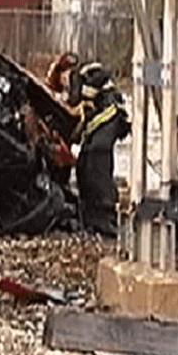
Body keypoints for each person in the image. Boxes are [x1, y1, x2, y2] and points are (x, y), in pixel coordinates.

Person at [56, 56, 130, 237]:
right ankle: (91, 217)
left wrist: (62, 99)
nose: (64, 86)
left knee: (96, 159)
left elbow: (76, 101)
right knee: (84, 162)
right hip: (106, 122)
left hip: (111, 118)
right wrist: (72, 140)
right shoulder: (87, 81)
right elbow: (84, 122)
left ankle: (105, 218)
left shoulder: (81, 77)